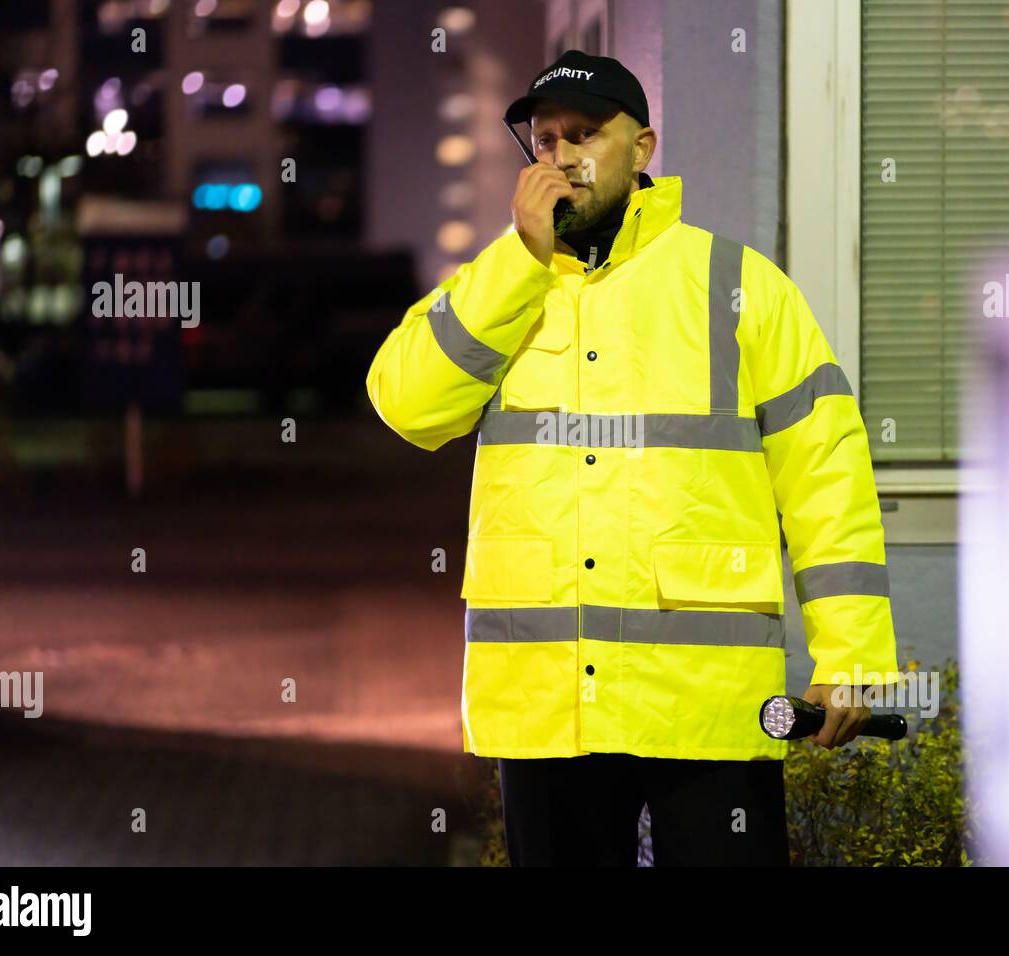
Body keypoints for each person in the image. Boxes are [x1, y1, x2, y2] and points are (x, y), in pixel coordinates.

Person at [366, 49, 899, 866]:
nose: (563, 156)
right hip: (549, 710)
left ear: (643, 147)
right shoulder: (505, 283)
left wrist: (854, 656)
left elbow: (825, 473)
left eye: (586, 134)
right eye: (544, 141)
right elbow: (405, 404)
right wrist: (518, 260)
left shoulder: (738, 285)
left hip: (704, 706)